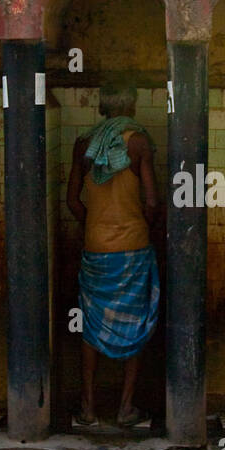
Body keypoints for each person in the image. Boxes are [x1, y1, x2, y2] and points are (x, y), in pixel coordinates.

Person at [66, 81, 161, 427]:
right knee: (134, 322)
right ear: (133, 105)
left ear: (102, 106)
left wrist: (94, 222)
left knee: (91, 326)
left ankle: (88, 408)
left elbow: (72, 201)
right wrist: (138, 224)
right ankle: (125, 409)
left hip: (95, 248)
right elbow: (152, 201)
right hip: (132, 248)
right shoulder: (138, 143)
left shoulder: (83, 145)